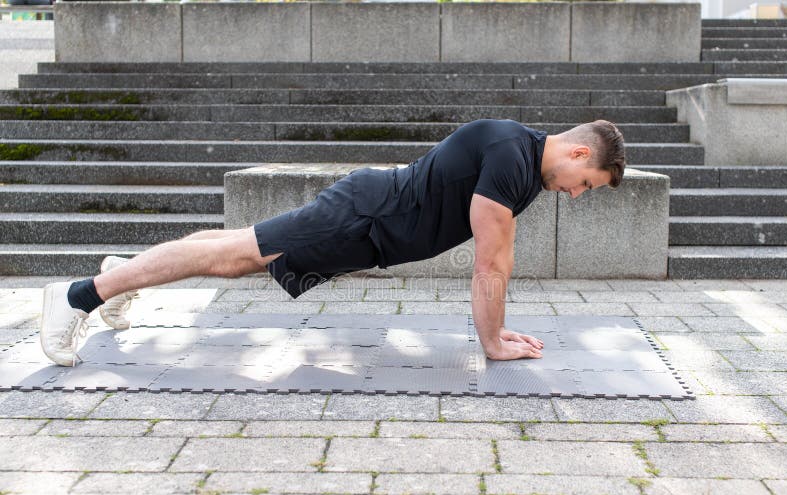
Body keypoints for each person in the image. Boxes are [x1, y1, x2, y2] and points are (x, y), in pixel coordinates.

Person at [39, 118, 625, 367]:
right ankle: (78, 295)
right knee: (237, 253)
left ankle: (124, 274)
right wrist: (491, 342)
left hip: (368, 233)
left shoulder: (522, 165)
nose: (577, 195)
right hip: (362, 215)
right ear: (578, 153)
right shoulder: (510, 156)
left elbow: (493, 258)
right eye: (586, 185)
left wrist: (495, 331)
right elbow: (491, 261)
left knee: (236, 256)